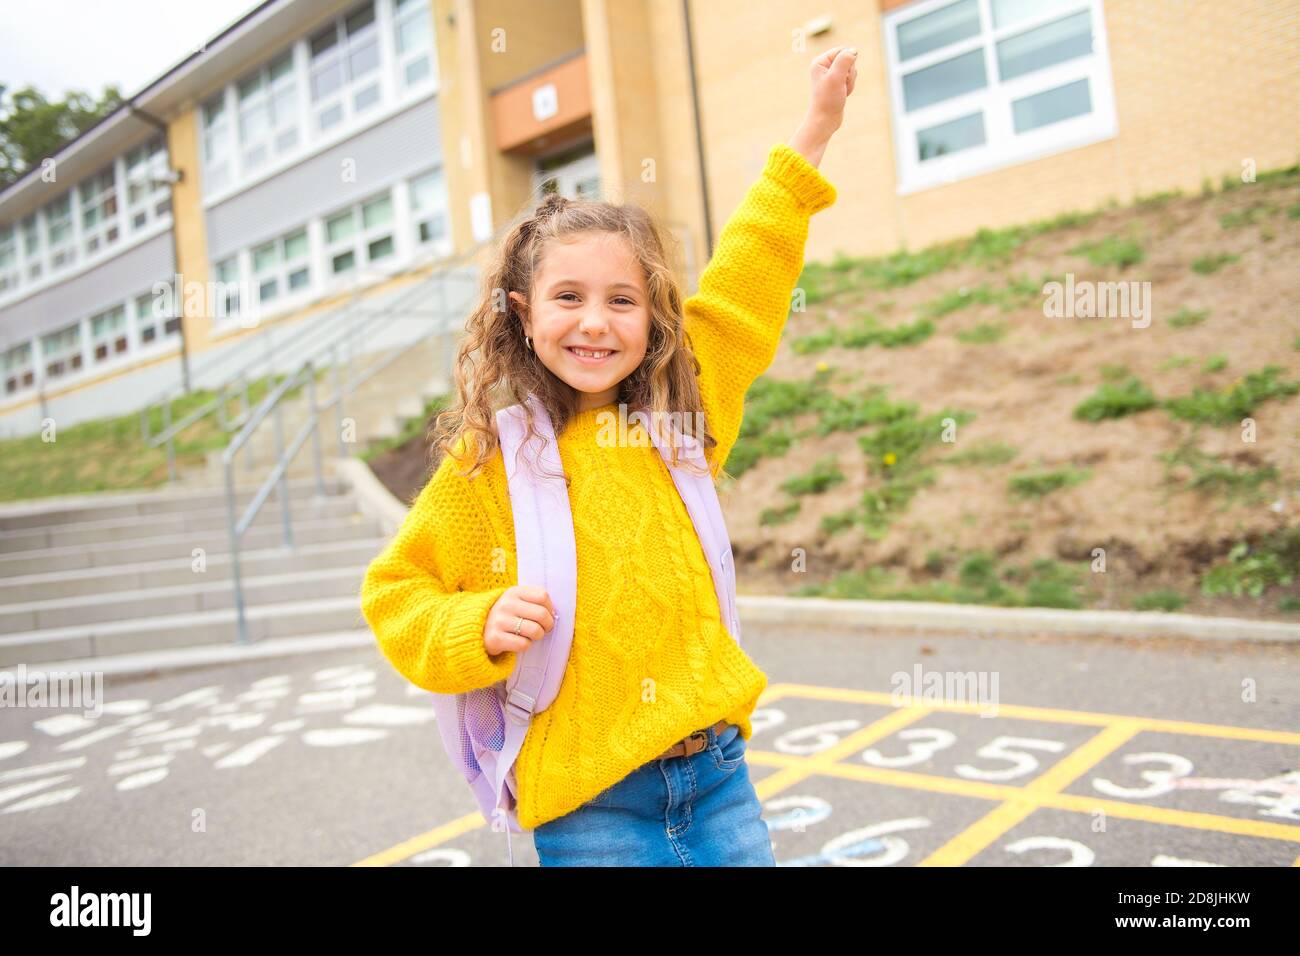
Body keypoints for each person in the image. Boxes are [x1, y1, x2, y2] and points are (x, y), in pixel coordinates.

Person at [360, 45, 856, 865]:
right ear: (522, 313)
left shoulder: (682, 413)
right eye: (568, 298)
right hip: (589, 807)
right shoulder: (491, 462)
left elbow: (744, 282)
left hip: (719, 780)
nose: (595, 322)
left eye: (621, 300)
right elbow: (393, 593)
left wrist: (816, 129)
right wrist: (473, 622)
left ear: (653, 314)